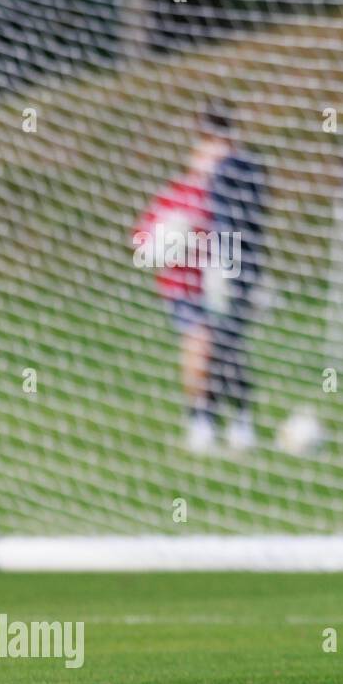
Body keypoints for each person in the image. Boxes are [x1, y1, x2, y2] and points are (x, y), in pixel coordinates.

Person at [136, 101, 265, 452]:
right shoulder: (178, 195)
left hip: (225, 286)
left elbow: (249, 237)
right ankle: (200, 418)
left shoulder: (238, 190)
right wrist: (167, 242)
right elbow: (142, 246)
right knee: (199, 342)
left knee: (229, 352)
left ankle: (240, 418)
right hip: (184, 288)